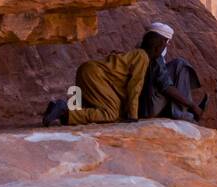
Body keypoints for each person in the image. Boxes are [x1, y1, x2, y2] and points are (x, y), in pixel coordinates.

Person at [41, 23, 205, 126]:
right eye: (165, 44)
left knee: (91, 105)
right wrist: (133, 116)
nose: (165, 49)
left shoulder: (138, 53)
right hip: (95, 75)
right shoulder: (143, 58)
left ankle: (60, 108)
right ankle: (64, 112)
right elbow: (135, 86)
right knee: (111, 114)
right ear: (159, 45)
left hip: (89, 70)